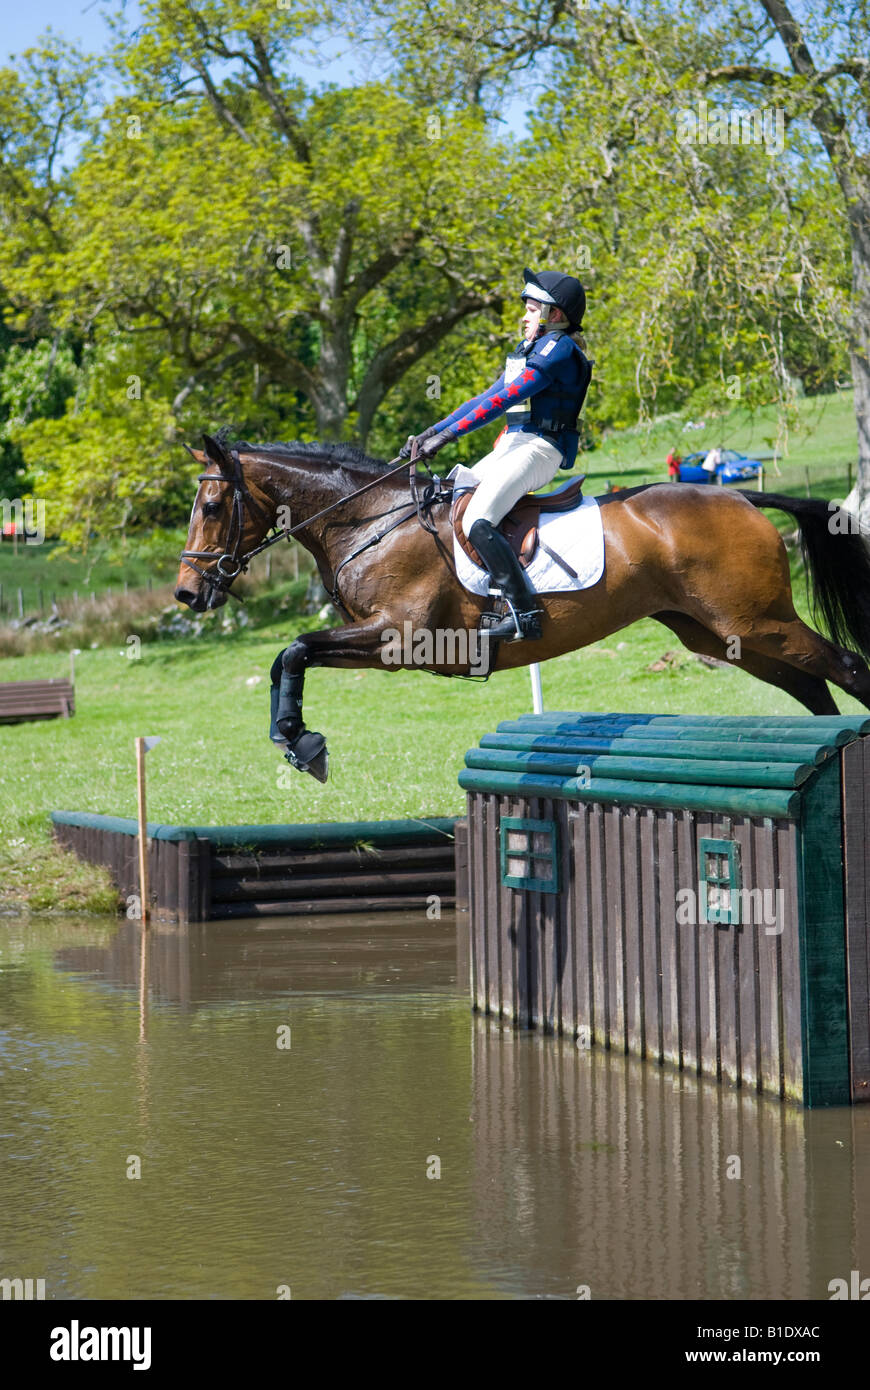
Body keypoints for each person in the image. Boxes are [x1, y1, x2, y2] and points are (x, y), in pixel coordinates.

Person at [402, 268, 592, 642]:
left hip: (540, 449)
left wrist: (448, 438)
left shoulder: (560, 349)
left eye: (532, 309)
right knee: (452, 498)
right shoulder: (531, 350)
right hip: (514, 445)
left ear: (555, 315)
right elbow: (483, 399)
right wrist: (430, 433)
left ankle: (526, 614)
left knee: (477, 519)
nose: (524, 316)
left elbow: (506, 399)